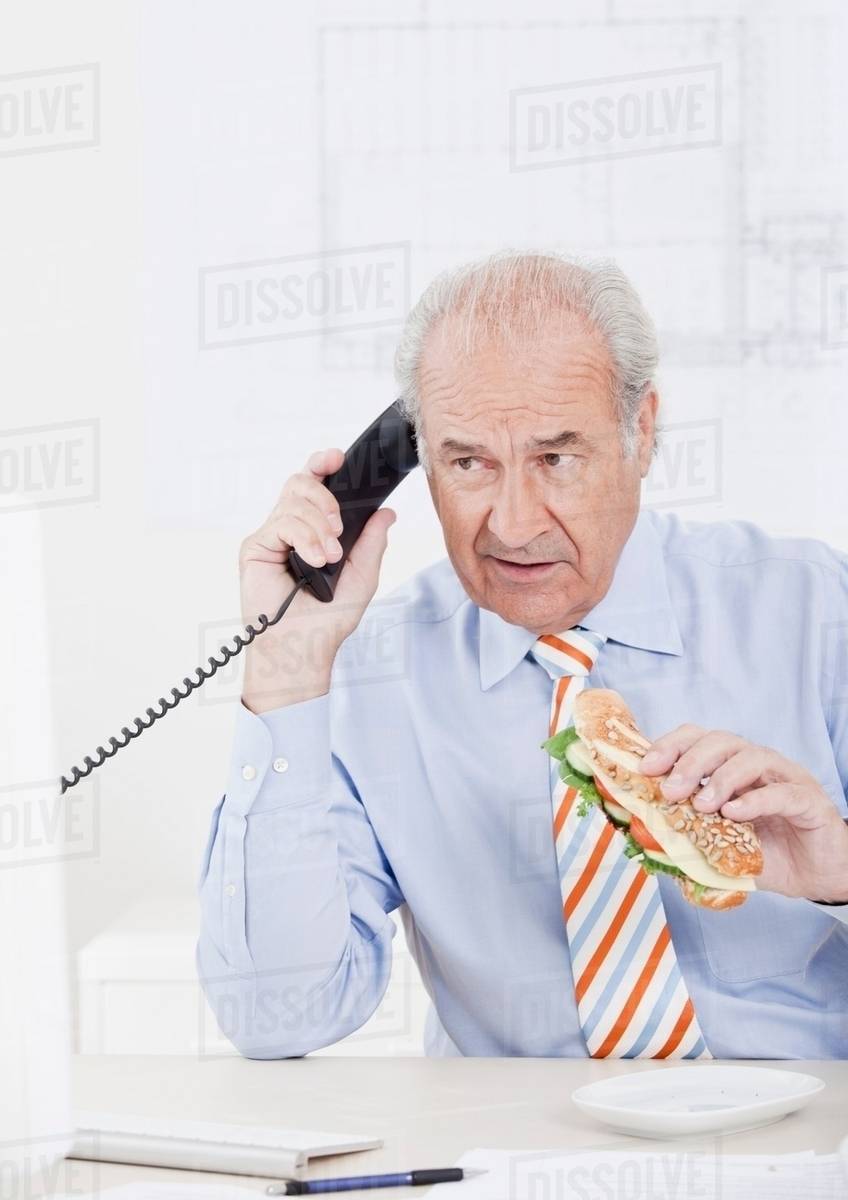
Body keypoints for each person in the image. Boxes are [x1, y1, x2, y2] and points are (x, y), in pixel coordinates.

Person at [197, 250, 848, 1060]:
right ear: (413, 460)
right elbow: (279, 1017)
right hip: (517, 1162)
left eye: (555, 458)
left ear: (640, 432)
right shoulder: (369, 672)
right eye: (468, 461)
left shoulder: (816, 608)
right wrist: (286, 667)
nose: (511, 522)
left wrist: (839, 871)